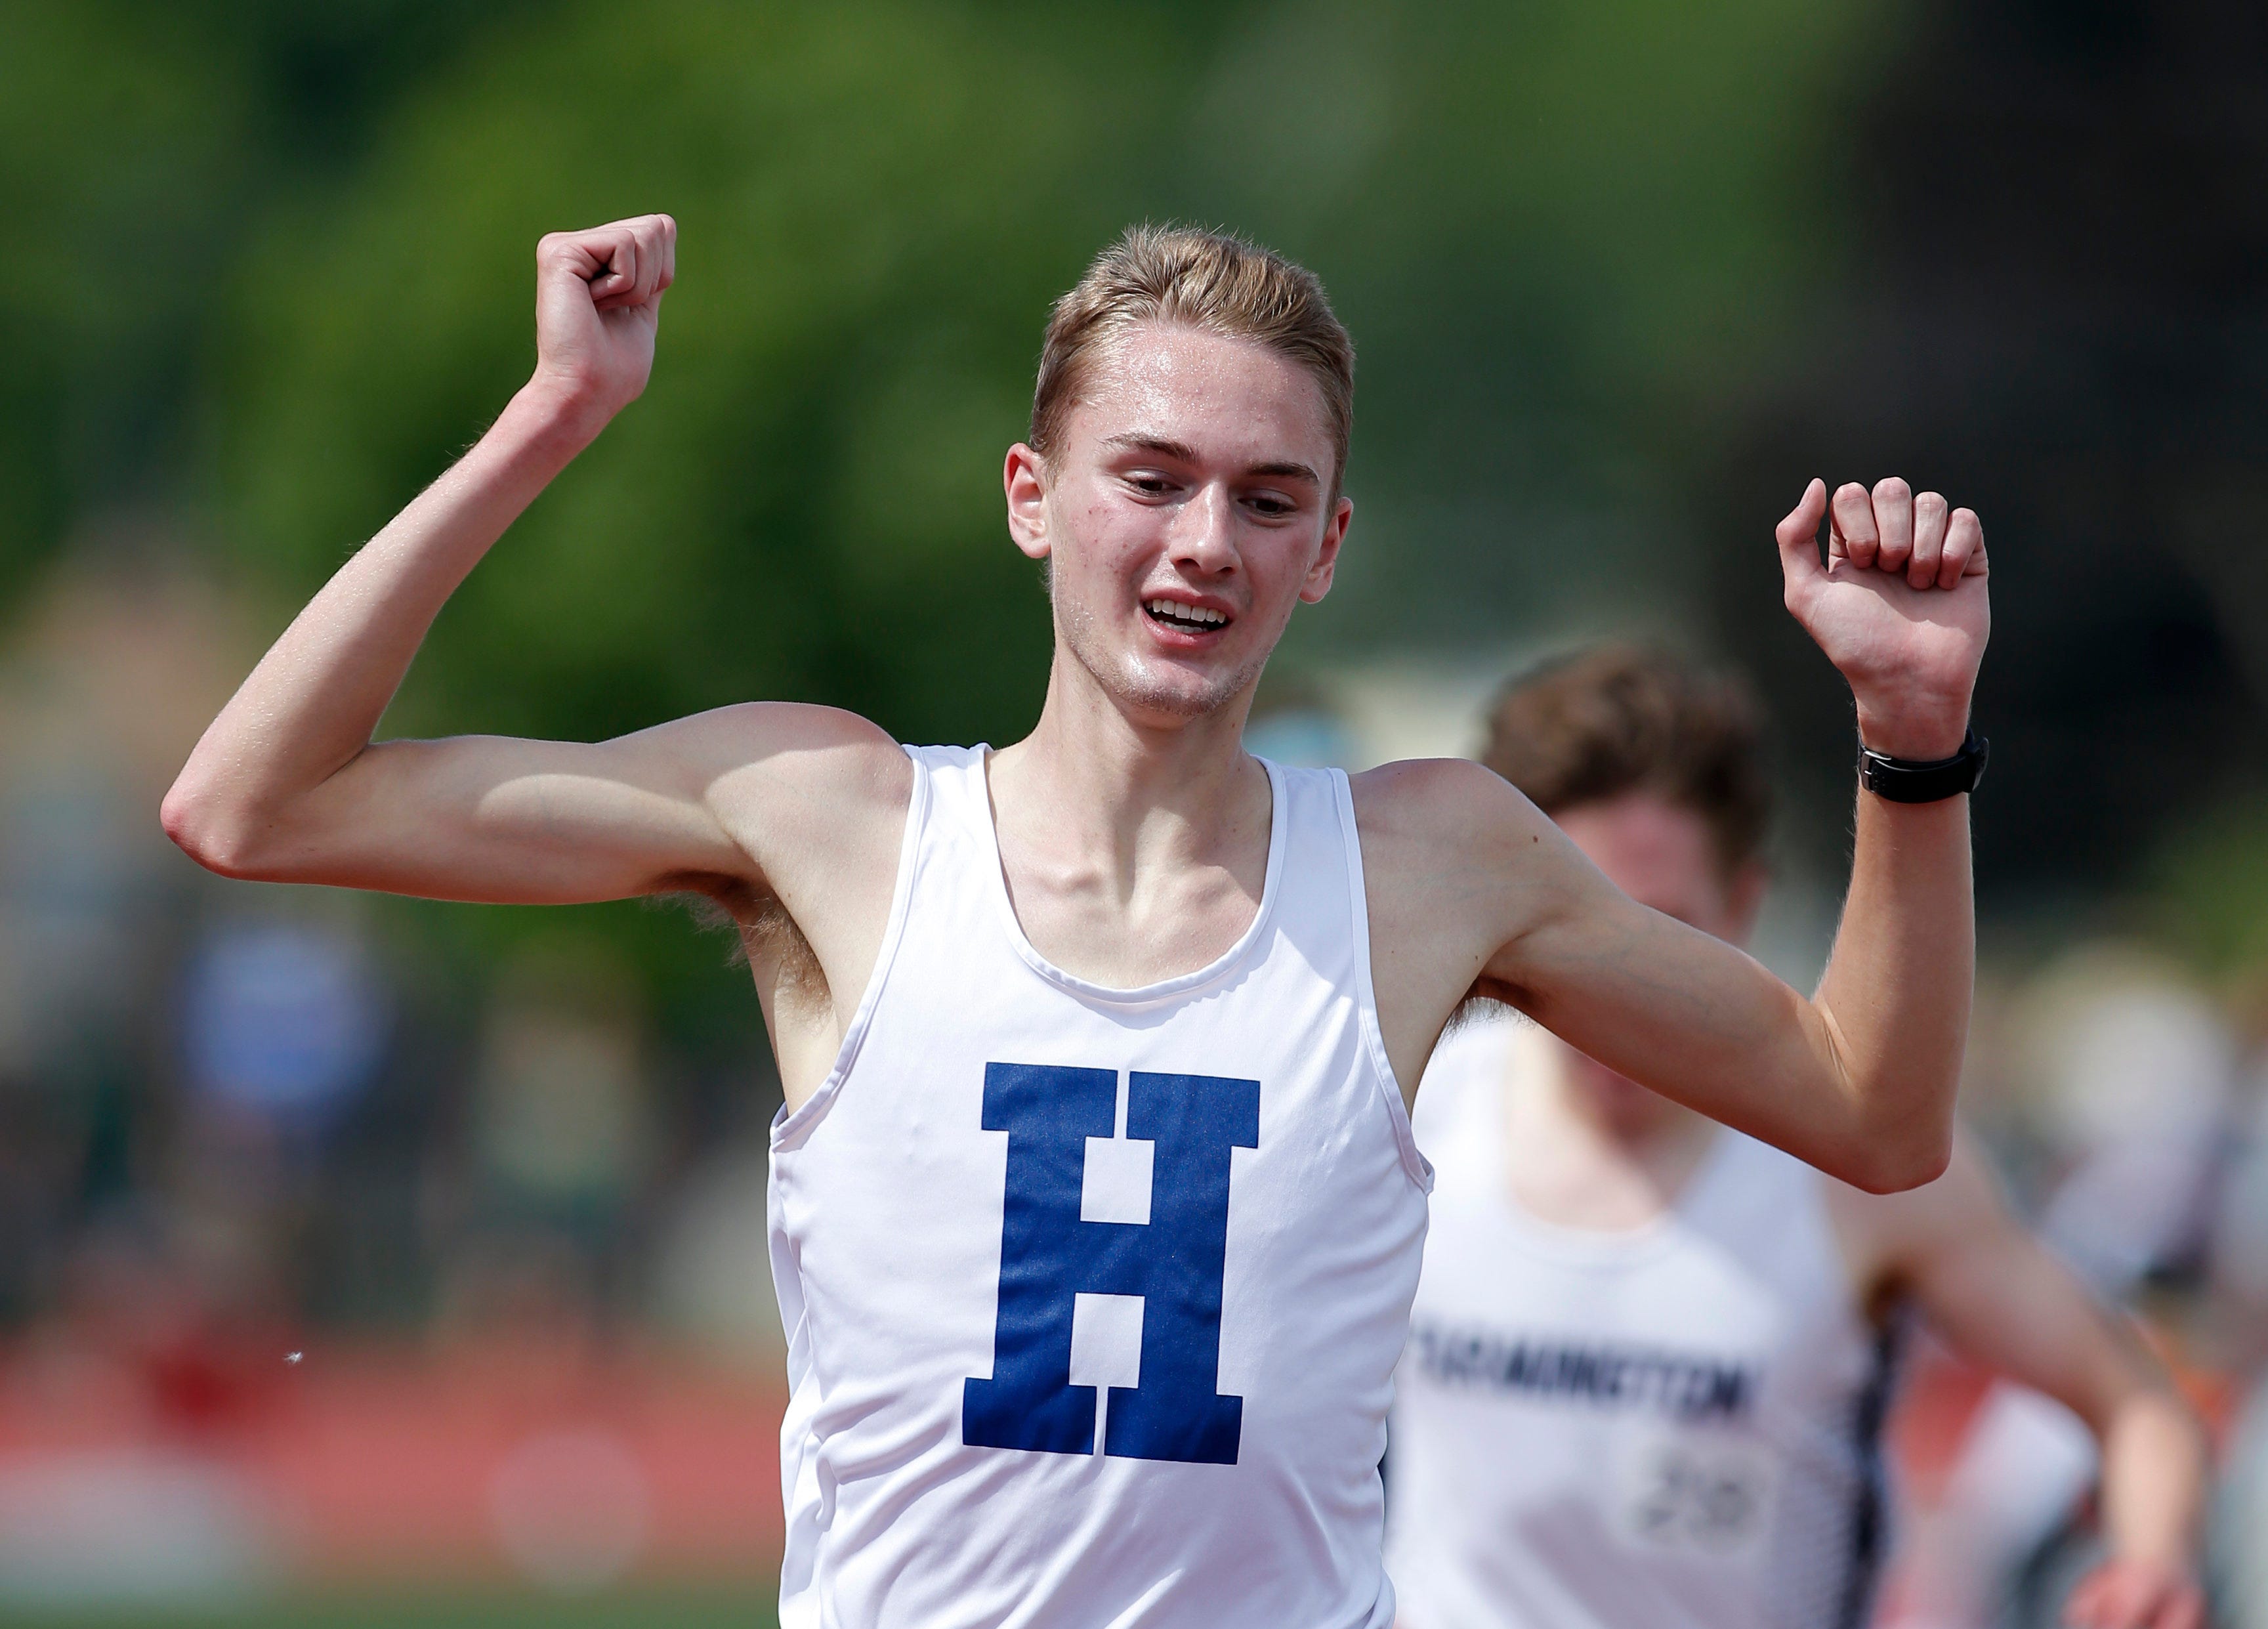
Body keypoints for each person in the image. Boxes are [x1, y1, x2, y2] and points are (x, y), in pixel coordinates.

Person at [165, 215, 1992, 1628]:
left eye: (1268, 500)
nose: (1208, 542)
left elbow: (1875, 1114)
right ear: (1034, 500)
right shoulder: (836, 822)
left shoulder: (1433, 861)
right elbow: (253, 803)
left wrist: (1913, 744)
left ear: (1330, 548)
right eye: (1155, 477)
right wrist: (555, 413)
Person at [1384, 645, 2208, 1629]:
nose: (1614, 984)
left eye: (1661, 929)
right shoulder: (1414, 1112)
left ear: (1744, 904)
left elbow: (2139, 1403)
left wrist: (2153, 1560)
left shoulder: (1856, 1163)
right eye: (1578, 928)